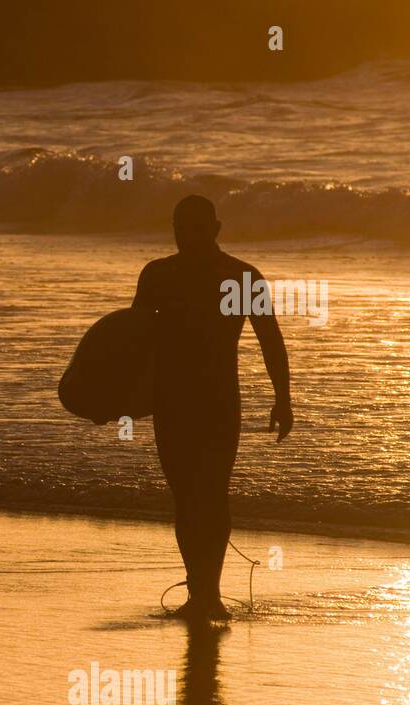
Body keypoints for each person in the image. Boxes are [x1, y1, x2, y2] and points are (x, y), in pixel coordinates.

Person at [132, 195, 292, 620]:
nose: (187, 235)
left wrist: (283, 397)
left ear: (216, 229)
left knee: (213, 493)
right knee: (185, 495)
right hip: (170, 400)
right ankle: (197, 590)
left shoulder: (240, 278)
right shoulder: (158, 276)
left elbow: (270, 339)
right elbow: (133, 343)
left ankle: (212, 594)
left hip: (219, 400)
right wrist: (117, 400)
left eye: (196, 227)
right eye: (179, 227)